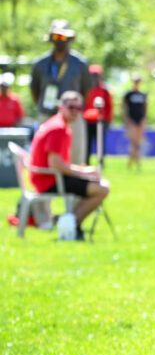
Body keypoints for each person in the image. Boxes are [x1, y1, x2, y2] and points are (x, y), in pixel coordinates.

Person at [29, 91, 111, 241]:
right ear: (61, 106)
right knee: (102, 189)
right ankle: (71, 224)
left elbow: (58, 163)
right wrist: (83, 173)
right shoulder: (58, 129)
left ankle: (68, 222)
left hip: (48, 177)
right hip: (50, 180)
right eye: (71, 107)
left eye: (79, 108)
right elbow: (55, 164)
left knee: (98, 184)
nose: (75, 111)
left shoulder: (59, 124)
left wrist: (82, 170)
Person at [30, 20, 90, 164]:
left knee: (75, 157)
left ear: (69, 39)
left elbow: (86, 90)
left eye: (63, 37)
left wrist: (71, 109)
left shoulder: (80, 63)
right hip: (47, 115)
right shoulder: (40, 64)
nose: (60, 41)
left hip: (73, 116)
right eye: (57, 36)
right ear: (51, 38)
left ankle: (73, 179)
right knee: (43, 158)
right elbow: (35, 90)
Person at [84, 65, 113, 166]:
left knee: (100, 144)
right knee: (86, 144)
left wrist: (108, 121)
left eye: (96, 75)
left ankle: (101, 163)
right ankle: (86, 163)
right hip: (86, 121)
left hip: (99, 121)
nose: (94, 78)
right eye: (92, 75)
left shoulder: (104, 90)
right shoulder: (85, 89)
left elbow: (109, 107)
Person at [123, 74, 148, 171]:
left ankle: (133, 162)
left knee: (138, 142)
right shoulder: (128, 95)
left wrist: (144, 120)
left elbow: (145, 108)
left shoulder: (143, 95)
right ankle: (135, 162)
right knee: (134, 142)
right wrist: (127, 121)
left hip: (140, 120)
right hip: (131, 120)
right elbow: (124, 108)